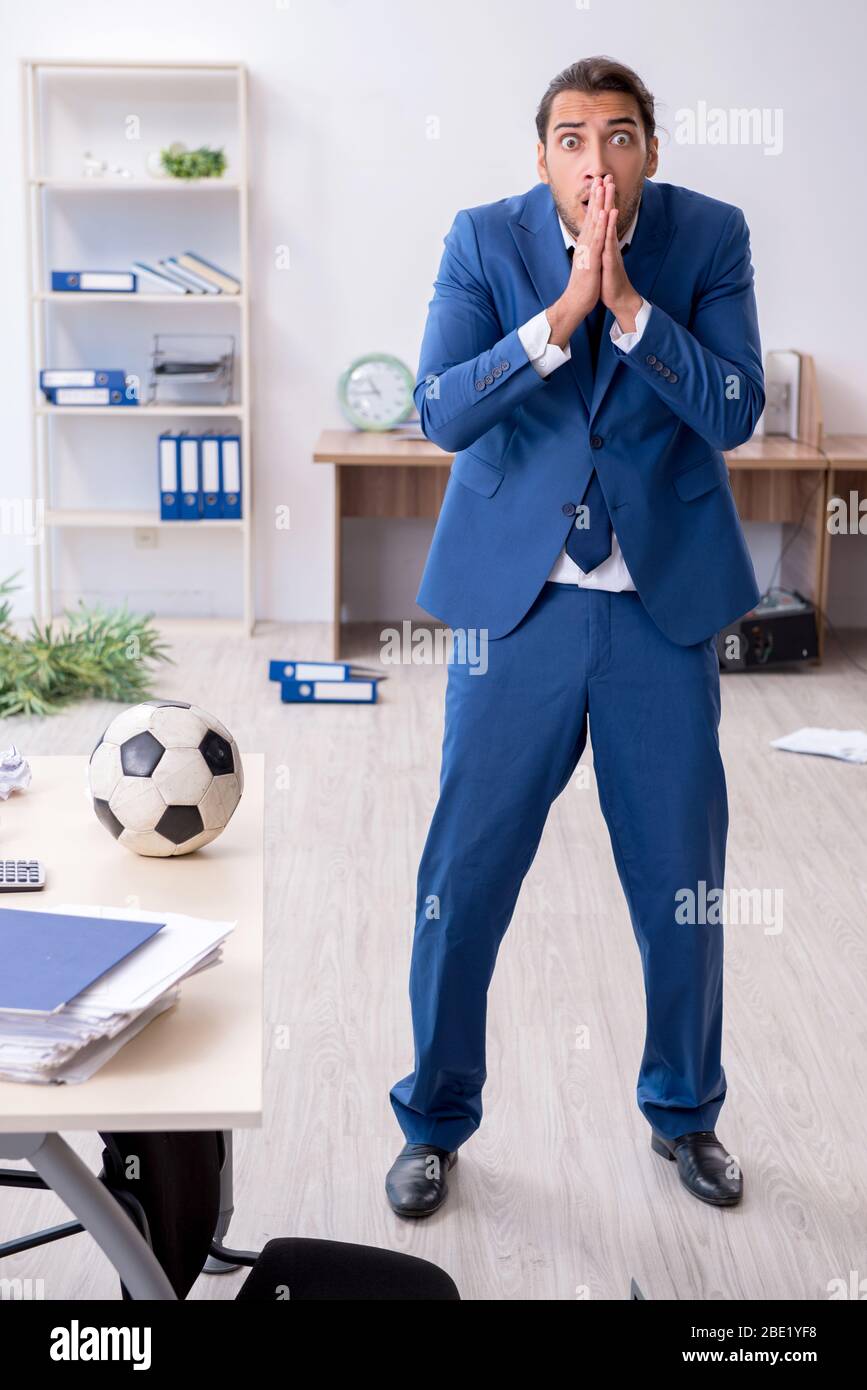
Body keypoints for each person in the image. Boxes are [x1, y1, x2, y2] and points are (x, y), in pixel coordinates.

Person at [386, 55, 762, 1218]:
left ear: (651, 146)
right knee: (465, 876)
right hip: (520, 608)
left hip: (659, 609)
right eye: (569, 138)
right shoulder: (482, 240)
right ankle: (435, 1121)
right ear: (540, 152)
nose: (594, 160)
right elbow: (441, 408)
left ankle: (686, 1116)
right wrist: (561, 317)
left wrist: (634, 311)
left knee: (681, 883)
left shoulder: (711, 238)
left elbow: (736, 409)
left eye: (618, 136)